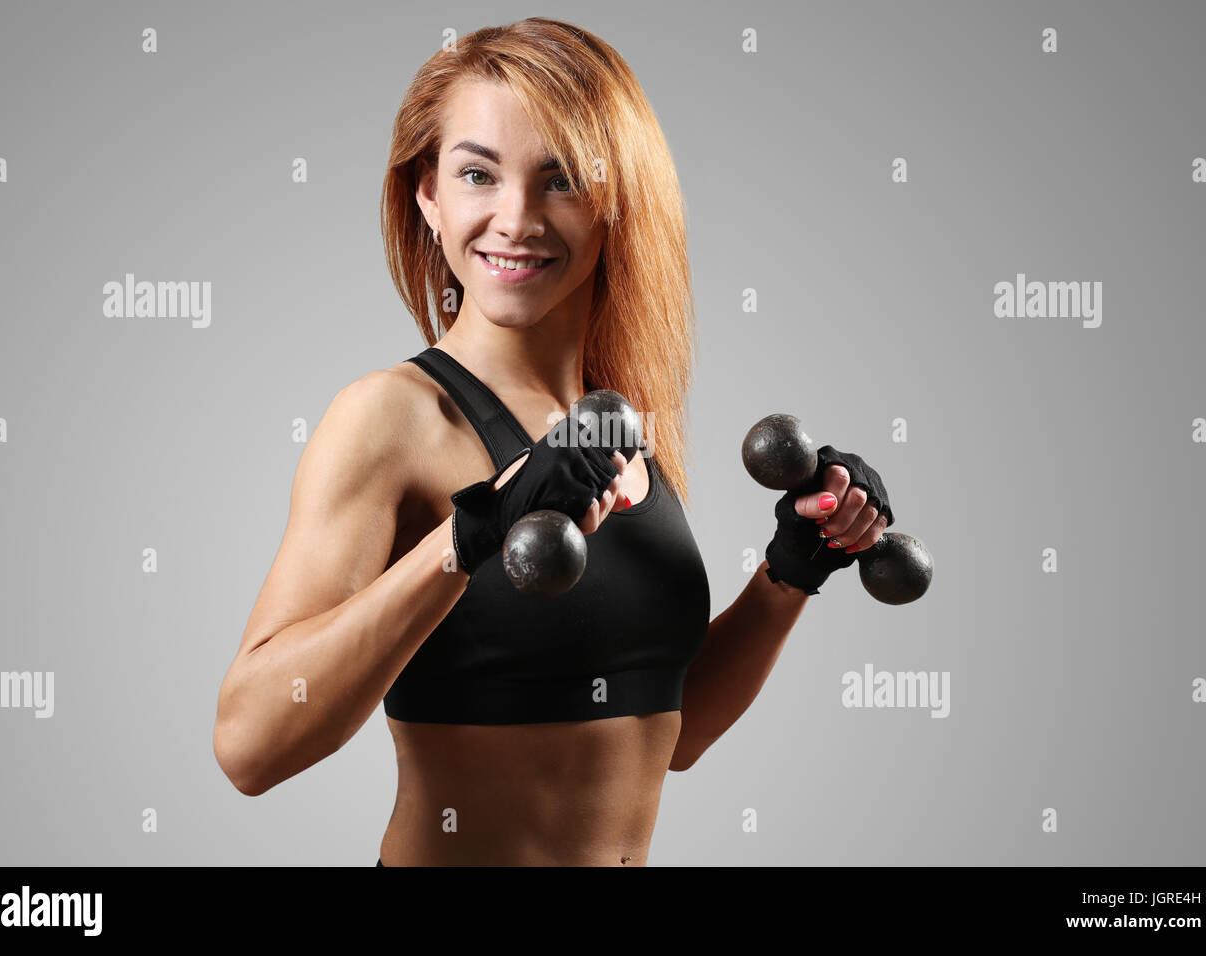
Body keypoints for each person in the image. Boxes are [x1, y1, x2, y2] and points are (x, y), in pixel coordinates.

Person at [211, 17, 893, 866]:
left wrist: (790, 571)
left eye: (560, 178)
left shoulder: (617, 426)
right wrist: (471, 536)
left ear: (616, 197)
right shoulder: (392, 418)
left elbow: (668, 731)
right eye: (476, 175)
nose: (516, 218)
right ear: (428, 195)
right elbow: (249, 745)